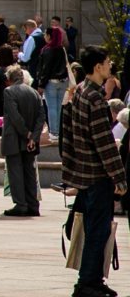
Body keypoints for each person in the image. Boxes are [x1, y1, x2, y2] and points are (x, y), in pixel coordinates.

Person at [60, 46, 127, 297]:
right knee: (97, 230)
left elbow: (69, 133)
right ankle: (87, 281)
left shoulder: (79, 92)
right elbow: (104, 143)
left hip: (84, 174)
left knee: (93, 228)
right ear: (97, 67)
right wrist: (119, 177)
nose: (110, 66)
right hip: (97, 176)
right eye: (108, 62)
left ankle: (93, 279)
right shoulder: (96, 99)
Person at [0, 65, 44, 216]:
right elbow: (40, 116)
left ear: (9, 79)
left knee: (15, 172)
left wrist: (27, 134)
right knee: (29, 172)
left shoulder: (9, 91)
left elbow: (14, 116)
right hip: (30, 140)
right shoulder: (34, 92)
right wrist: (34, 137)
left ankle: (21, 204)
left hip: (15, 138)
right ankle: (33, 204)